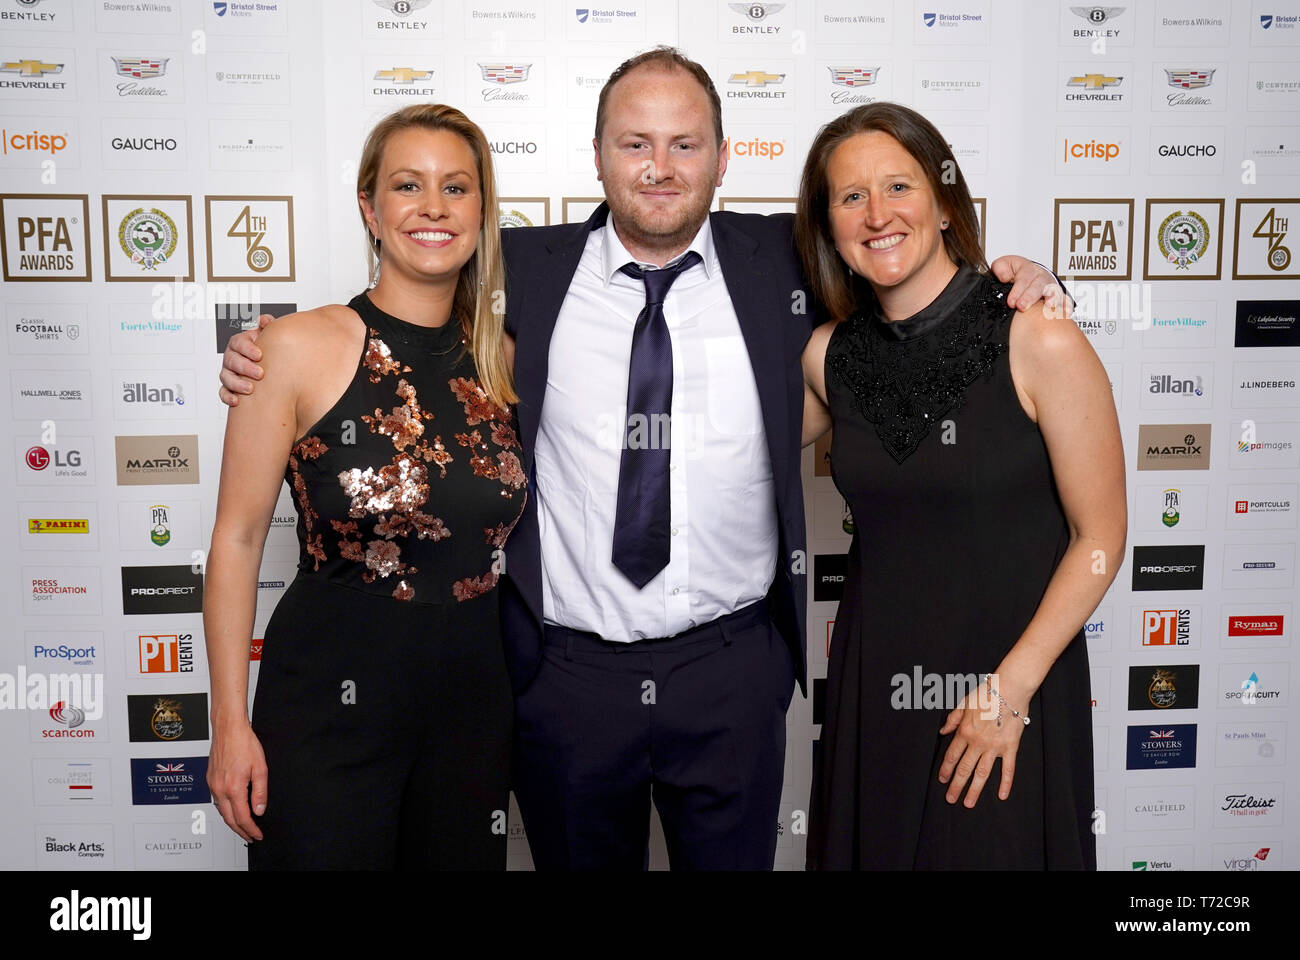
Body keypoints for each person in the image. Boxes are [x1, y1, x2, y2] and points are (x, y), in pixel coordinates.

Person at [220, 48, 1067, 871]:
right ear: (596, 157)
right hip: (567, 681)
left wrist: (1017, 277)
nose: (660, 167)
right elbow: (403, 322)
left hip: (731, 674)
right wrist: (262, 358)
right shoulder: (522, 270)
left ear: (724, 159)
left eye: (684, 143)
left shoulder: (786, 257)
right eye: (635, 143)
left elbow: (902, 265)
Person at [797, 103, 1125, 870]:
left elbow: (1101, 538)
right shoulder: (825, 359)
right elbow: (717, 449)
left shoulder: (1037, 331)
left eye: (898, 187)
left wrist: (1008, 695)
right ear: (830, 228)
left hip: (1005, 684)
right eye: (850, 198)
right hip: (874, 690)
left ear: (945, 203)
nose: (877, 215)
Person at [205, 103, 523, 870]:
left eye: (457, 187)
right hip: (327, 701)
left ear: (482, 210)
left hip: (474, 704)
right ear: (369, 208)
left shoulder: (504, 361)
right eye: (407, 185)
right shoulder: (290, 348)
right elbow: (237, 540)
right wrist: (228, 723)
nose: (434, 208)